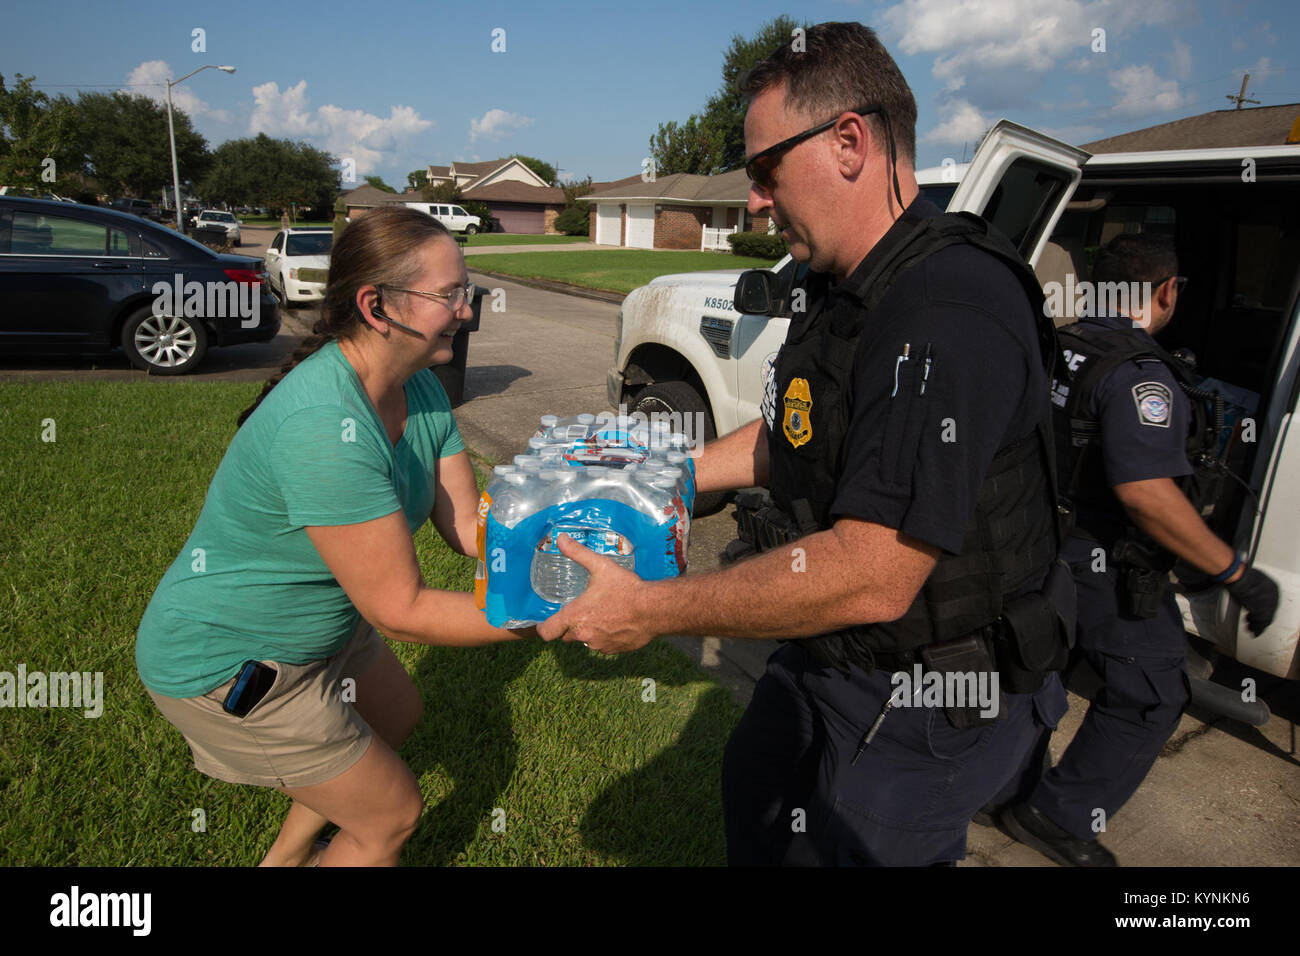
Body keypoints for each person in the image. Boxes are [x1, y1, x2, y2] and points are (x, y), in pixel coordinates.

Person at [538, 21, 1073, 866]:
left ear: (849, 141)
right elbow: (797, 433)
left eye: (763, 171)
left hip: (926, 691)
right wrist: (667, 471)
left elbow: (871, 571)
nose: (753, 199)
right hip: (831, 654)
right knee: (755, 795)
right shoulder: (844, 285)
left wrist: (648, 609)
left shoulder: (947, 309)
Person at [136, 205, 528, 867]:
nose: (467, 310)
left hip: (322, 631)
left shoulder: (422, 388)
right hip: (230, 659)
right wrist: (560, 615)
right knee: (392, 815)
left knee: (396, 714)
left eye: (470, 292)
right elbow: (401, 611)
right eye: (451, 295)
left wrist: (561, 530)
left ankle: (283, 860)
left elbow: (467, 526)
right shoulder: (325, 424)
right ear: (378, 307)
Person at [1002, 233, 1280, 865]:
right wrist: (1234, 571)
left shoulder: (1061, 344)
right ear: (1164, 291)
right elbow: (1148, 495)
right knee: (1152, 691)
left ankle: (1001, 786)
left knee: (1034, 665)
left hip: (1038, 542)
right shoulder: (1138, 376)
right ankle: (1054, 816)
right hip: (1102, 559)